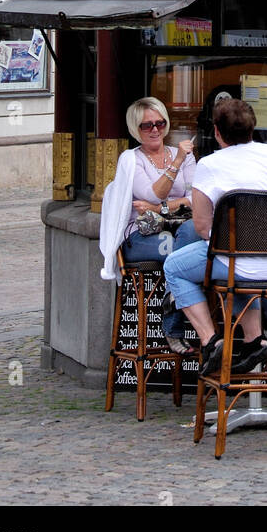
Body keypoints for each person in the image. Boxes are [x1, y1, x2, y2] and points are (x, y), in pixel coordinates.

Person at [162, 98, 267, 377]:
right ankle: (254, 341)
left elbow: (200, 226)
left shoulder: (210, 165)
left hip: (237, 263)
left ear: (217, 132)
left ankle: (211, 340)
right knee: (236, 267)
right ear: (252, 129)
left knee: (175, 267)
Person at [99, 96, 199, 353]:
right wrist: (176, 163)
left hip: (178, 229)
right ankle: (174, 325)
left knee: (191, 233)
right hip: (142, 235)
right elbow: (154, 192)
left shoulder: (185, 156)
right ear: (136, 129)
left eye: (159, 123)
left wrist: (159, 208)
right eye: (147, 126)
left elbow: (195, 198)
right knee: (185, 256)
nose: (155, 130)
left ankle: (172, 299)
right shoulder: (131, 160)